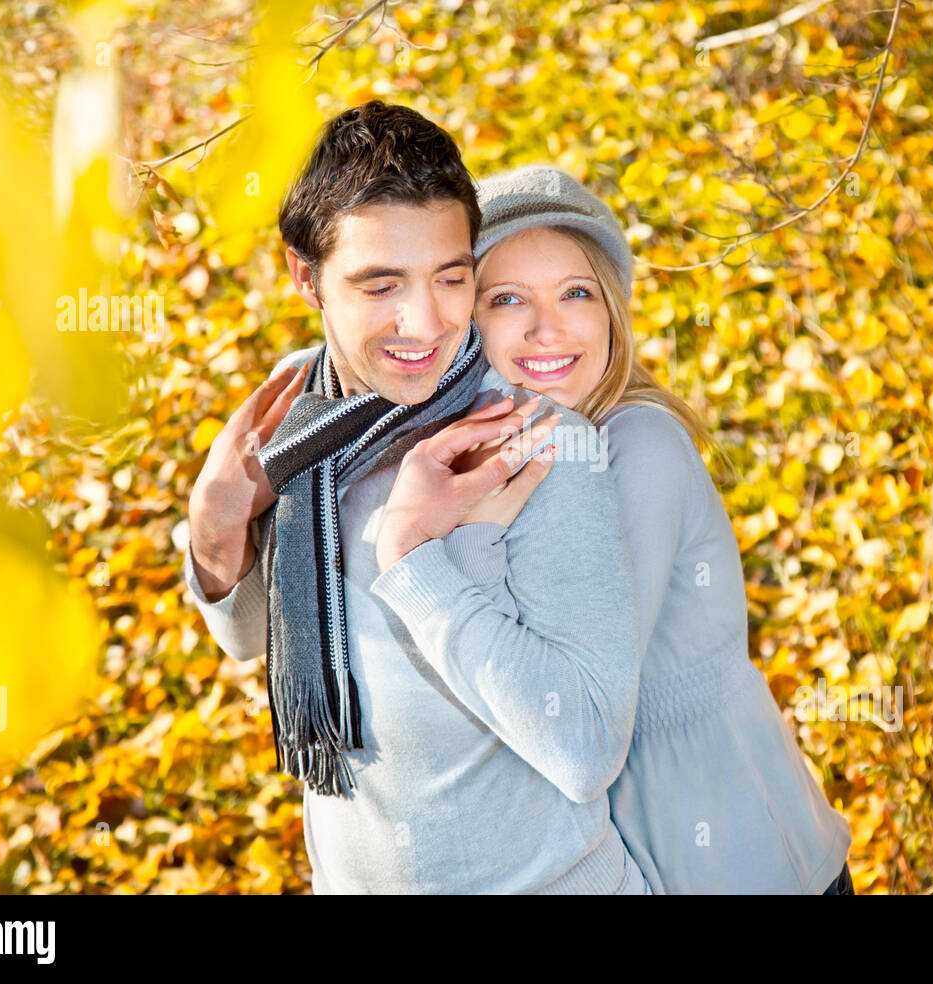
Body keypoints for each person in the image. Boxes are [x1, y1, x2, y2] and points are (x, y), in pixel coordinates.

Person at [183, 102, 650, 893]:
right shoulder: (300, 409)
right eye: (380, 285)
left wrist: (415, 558)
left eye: (451, 277)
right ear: (306, 278)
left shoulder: (530, 444)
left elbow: (587, 748)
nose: (424, 322)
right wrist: (215, 528)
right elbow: (252, 637)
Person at [433, 163, 855, 893]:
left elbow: (571, 682)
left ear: (612, 313)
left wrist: (462, 544)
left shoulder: (640, 445)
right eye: (507, 299)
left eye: (576, 293)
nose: (547, 326)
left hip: (746, 864)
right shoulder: (507, 452)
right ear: (470, 324)